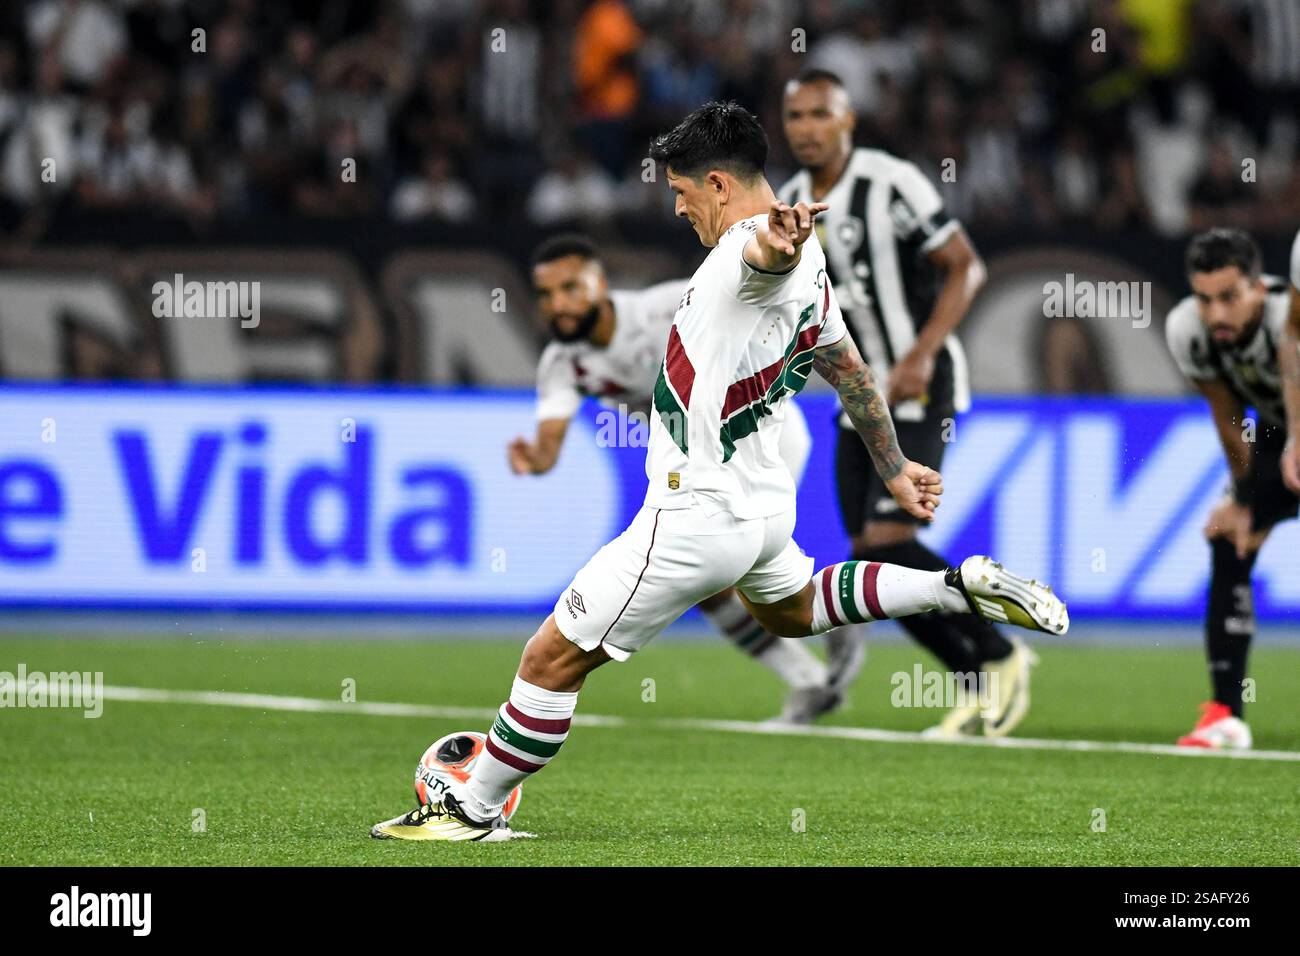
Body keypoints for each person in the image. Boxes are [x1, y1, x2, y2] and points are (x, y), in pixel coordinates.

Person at [372, 102, 1067, 841]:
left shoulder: (748, 249)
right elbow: (854, 373)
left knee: (551, 656)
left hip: (694, 509)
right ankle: (952, 587)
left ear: (718, 183)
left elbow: (766, 259)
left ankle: (470, 809)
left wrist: (780, 245)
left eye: (681, 192)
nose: (678, 209)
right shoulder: (816, 271)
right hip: (760, 509)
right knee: (792, 608)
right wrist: (894, 470)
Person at [508, 232, 862, 724]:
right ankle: (813, 662)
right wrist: (534, 458)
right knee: (723, 584)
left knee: (729, 568)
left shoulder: (667, 306)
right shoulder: (562, 364)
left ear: (600, 283)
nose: (558, 305)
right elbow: (547, 447)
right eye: (546, 295)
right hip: (701, 467)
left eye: (571, 288)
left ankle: (825, 615)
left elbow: (766, 319)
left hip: (761, 443)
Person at [776, 69, 1033, 738]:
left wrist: (920, 353)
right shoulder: (794, 200)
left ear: (847, 119)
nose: (805, 127)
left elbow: (964, 263)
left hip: (920, 383)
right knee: (868, 554)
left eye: (818, 114)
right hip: (857, 397)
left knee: (892, 539)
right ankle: (982, 681)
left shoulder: (891, 179)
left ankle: (1003, 651)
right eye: (795, 116)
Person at [1164, 228, 1299, 749]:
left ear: (1259, 289)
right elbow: (1227, 418)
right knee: (1228, 534)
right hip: (1276, 432)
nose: (1215, 313)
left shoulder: (1290, 315)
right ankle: (1225, 712)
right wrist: (1245, 500)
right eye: (1204, 298)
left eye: (1229, 297)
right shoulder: (1188, 331)